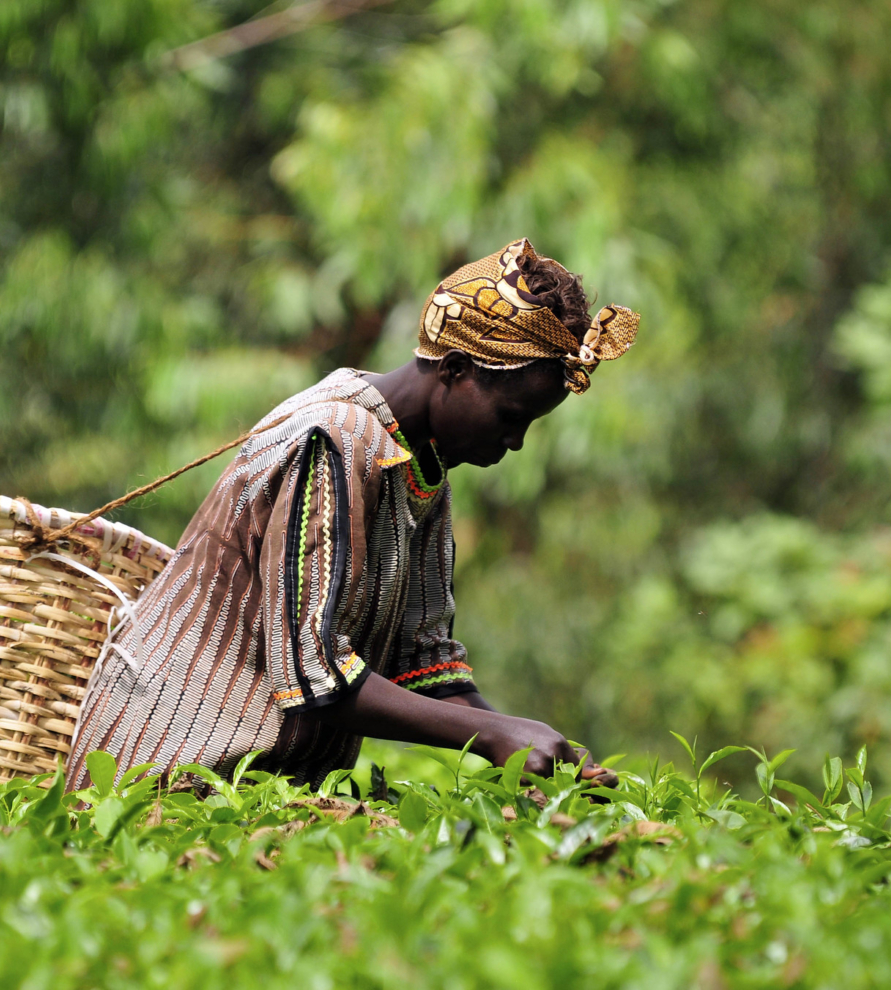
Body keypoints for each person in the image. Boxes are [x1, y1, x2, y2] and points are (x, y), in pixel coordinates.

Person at [66, 238, 638, 791]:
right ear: (456, 369)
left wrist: (535, 750)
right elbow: (312, 674)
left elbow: (424, 662)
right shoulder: (333, 438)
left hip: (263, 785)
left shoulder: (420, 464)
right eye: (511, 416)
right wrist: (493, 734)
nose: (516, 442)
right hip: (163, 778)